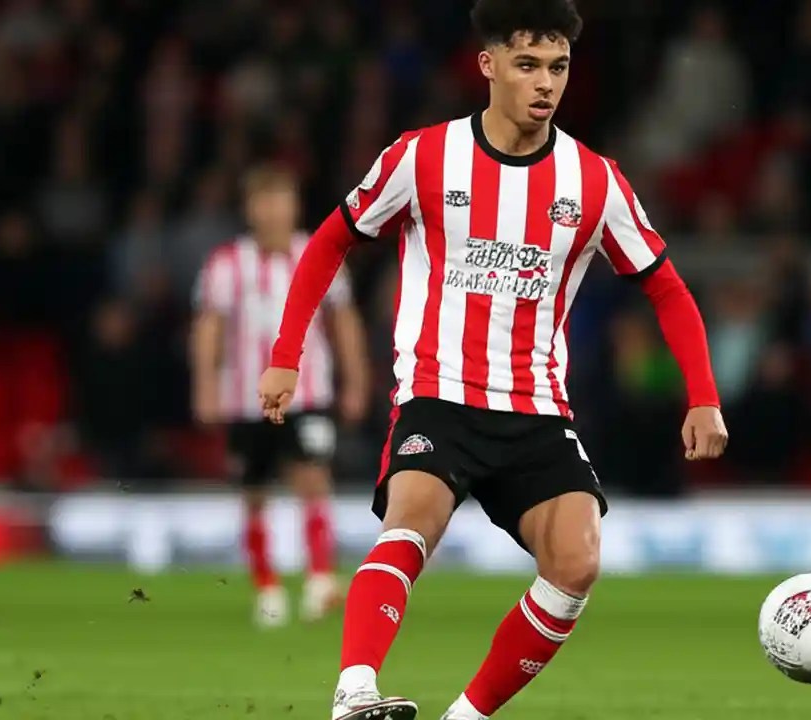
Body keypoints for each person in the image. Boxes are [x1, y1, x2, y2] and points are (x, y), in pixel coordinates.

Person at [258, 1, 728, 717]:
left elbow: (665, 285)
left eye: (559, 68)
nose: (545, 83)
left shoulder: (593, 181)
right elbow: (329, 241)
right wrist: (287, 355)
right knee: (412, 521)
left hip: (535, 408)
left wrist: (702, 395)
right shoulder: (423, 156)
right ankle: (354, 696)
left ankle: (465, 716)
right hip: (438, 393)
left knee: (577, 563)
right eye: (528, 64)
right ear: (488, 66)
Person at [191, 165, 370, 627]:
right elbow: (209, 327)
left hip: (307, 393)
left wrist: (356, 380)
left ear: (295, 205)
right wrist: (206, 385)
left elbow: (344, 321)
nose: (273, 211)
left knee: (312, 475)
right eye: (264, 201)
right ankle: (266, 586)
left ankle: (318, 578)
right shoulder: (227, 263)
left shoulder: (319, 253)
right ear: (250, 208)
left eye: (281, 200)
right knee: (253, 489)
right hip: (244, 396)